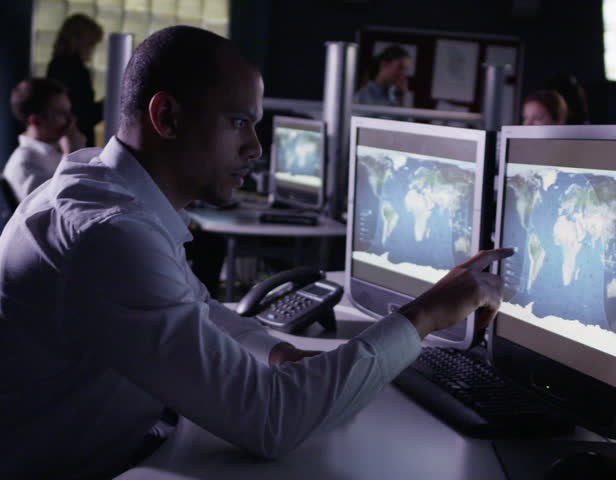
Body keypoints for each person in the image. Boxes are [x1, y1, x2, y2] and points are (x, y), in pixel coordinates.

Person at [0, 26, 511, 479]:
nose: (256, 149)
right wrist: (425, 314)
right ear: (167, 116)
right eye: (239, 123)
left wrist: (277, 351)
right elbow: (270, 421)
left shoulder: (98, 182)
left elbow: (197, 306)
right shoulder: (111, 235)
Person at [3, 77, 85, 201]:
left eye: (69, 111)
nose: (71, 119)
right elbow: (63, 209)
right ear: (35, 120)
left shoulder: (55, 151)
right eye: (61, 113)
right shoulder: (25, 165)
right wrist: (73, 156)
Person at [47, 13, 104, 147]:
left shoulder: (56, 64)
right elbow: (82, 115)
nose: (92, 50)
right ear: (80, 41)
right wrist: (110, 102)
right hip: (74, 141)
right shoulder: (75, 69)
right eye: (91, 44)